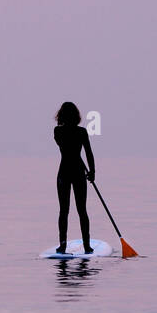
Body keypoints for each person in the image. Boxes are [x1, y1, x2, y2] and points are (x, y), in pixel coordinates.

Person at [53, 101, 94, 254]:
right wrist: (92, 172)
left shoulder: (58, 131)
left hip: (64, 172)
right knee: (82, 210)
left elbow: (63, 145)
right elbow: (88, 153)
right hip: (78, 172)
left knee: (64, 211)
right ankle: (87, 246)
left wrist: (91, 172)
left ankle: (62, 245)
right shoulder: (81, 132)